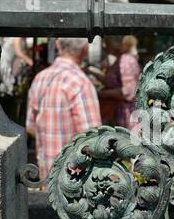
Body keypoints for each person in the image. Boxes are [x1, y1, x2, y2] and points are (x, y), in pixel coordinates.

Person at [26, 37, 101, 181]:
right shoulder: (81, 83)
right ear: (85, 49)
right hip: (73, 180)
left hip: (46, 174)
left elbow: (30, 126)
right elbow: (93, 138)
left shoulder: (40, 78)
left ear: (58, 45)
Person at [100, 35, 142, 127]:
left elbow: (128, 92)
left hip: (126, 116)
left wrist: (102, 93)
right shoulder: (120, 59)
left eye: (106, 42)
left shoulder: (126, 60)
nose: (103, 45)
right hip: (119, 114)